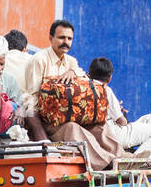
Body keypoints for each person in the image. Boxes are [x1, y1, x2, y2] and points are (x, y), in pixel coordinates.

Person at [25, 20, 118, 168]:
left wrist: (72, 71)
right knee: (72, 128)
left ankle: (123, 158)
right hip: (51, 122)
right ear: (50, 38)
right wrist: (40, 133)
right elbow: (31, 97)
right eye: (61, 38)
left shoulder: (71, 61)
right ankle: (108, 163)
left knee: (99, 126)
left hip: (73, 115)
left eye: (69, 39)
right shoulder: (39, 60)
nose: (66, 42)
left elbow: (84, 79)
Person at [87, 57, 151, 162]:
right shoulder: (105, 90)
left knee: (149, 118)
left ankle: (149, 156)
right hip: (114, 135)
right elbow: (122, 122)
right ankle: (138, 161)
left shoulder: (83, 91)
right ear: (109, 78)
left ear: (89, 74)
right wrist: (119, 111)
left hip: (98, 135)